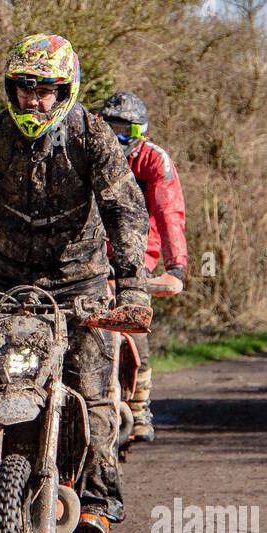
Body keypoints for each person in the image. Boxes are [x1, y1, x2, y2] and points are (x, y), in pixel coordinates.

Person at [0, 34, 150, 533]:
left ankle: (96, 498)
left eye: (46, 90)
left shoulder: (92, 135)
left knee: (93, 394)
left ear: (65, 90)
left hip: (82, 282)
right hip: (10, 283)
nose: (34, 100)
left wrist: (131, 288)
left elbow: (124, 208)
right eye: (25, 88)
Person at [98, 91, 187, 441]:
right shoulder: (88, 154)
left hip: (138, 256)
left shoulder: (154, 160)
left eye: (126, 133)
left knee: (135, 313)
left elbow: (169, 214)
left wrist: (176, 266)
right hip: (87, 254)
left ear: (141, 134)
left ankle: (139, 404)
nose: (118, 141)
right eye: (110, 130)